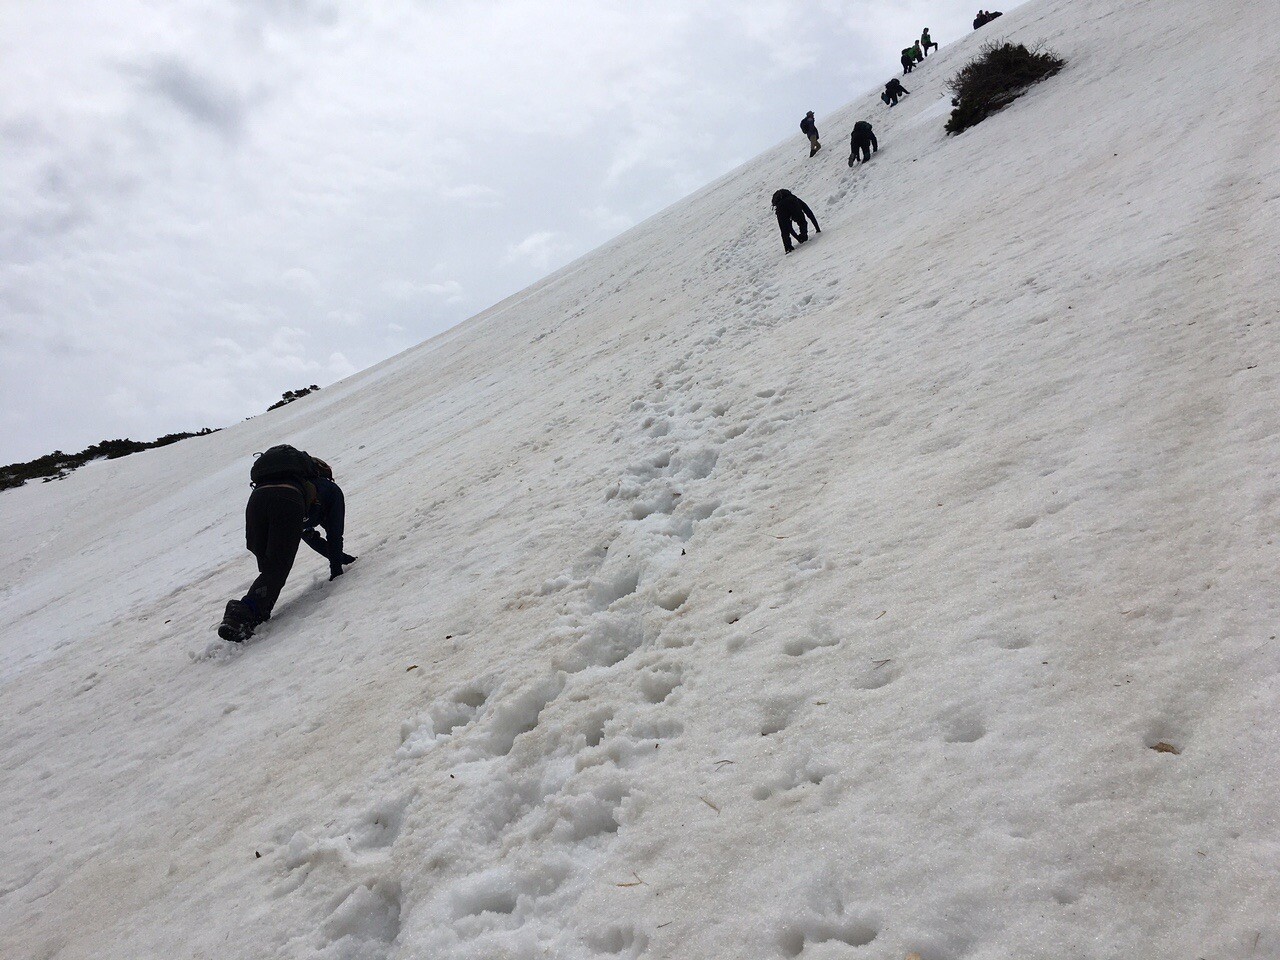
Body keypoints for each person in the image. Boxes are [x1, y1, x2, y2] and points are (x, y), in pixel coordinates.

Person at [218, 446, 356, 643]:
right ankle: (242, 613)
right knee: (277, 567)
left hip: (256, 500)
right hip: (286, 500)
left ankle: (255, 612)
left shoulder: (298, 483)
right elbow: (335, 536)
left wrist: (341, 559)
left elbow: (309, 535)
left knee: (269, 566)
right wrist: (336, 571)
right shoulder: (329, 491)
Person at [771, 189, 820, 254]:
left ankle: (788, 248)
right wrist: (817, 229)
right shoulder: (795, 199)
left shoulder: (780, 206)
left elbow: (787, 228)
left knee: (784, 230)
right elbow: (809, 213)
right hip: (793, 204)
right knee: (802, 222)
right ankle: (804, 236)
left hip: (781, 208)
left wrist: (797, 238)